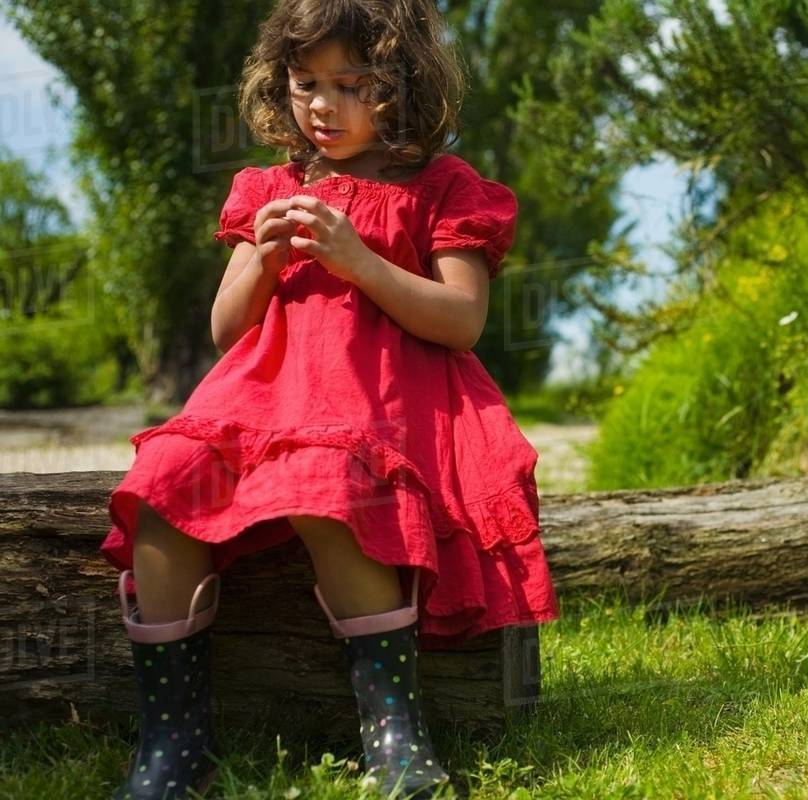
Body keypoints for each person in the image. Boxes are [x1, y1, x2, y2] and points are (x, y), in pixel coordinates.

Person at [99, 1, 560, 797]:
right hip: (262, 397)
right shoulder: (267, 188)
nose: (323, 104)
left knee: (329, 483)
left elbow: (462, 321)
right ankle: (173, 745)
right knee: (165, 487)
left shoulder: (441, 185)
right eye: (305, 82)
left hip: (379, 397)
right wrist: (263, 260)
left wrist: (359, 261)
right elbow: (225, 329)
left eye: (352, 84)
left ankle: (395, 737)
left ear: (405, 84)